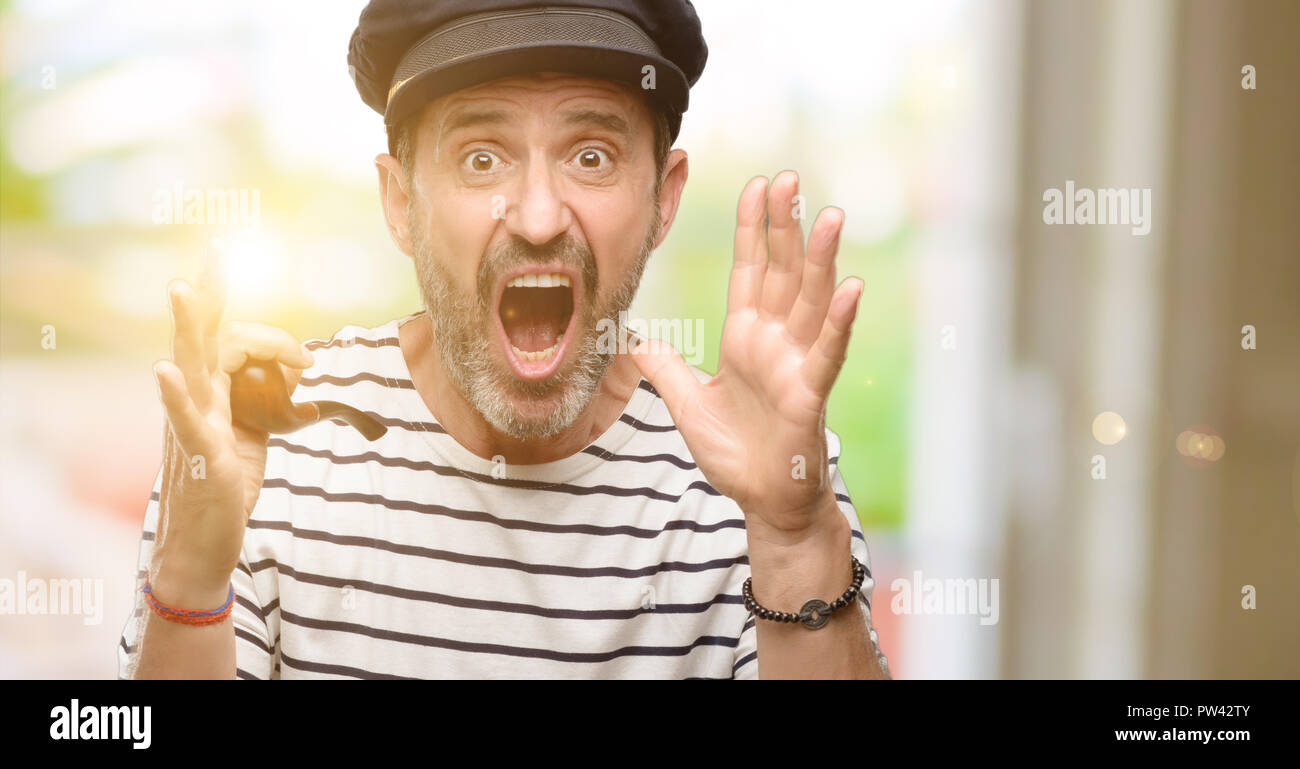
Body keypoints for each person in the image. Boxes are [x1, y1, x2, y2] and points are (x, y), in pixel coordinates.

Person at [119, 0, 890, 679]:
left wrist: (792, 543)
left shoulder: (762, 476)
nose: (537, 215)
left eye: (592, 156)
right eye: (481, 157)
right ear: (400, 201)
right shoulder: (257, 448)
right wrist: (189, 574)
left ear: (664, 198)